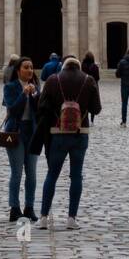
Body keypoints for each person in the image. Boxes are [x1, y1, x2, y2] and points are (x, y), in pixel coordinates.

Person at [30, 56, 100, 228]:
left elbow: (41, 106)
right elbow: (96, 109)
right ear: (78, 65)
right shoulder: (88, 80)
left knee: (52, 175)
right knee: (76, 176)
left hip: (58, 133)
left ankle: (44, 217)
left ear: (64, 66)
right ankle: (71, 219)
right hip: (80, 133)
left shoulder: (53, 80)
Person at [2, 56, 41, 221]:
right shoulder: (10, 87)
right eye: (26, 67)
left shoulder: (36, 87)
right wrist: (24, 95)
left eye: (31, 67)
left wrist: (34, 96)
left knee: (31, 173)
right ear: (18, 70)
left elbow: (39, 111)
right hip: (15, 131)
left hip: (31, 132)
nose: (29, 70)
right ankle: (14, 207)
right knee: (17, 172)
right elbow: (12, 109)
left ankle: (29, 206)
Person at [81, 51, 100, 124]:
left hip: (84, 85)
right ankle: (92, 120)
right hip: (93, 86)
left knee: (84, 102)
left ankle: (85, 119)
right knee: (92, 102)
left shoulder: (82, 65)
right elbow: (97, 78)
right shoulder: (95, 66)